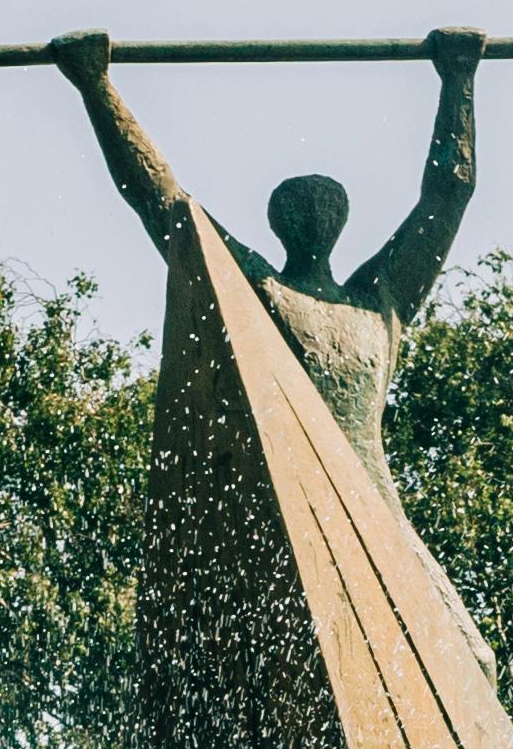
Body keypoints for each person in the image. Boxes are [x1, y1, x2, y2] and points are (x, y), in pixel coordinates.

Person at [56, 26, 480, 470]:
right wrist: (458, 76)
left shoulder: (371, 303)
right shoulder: (281, 295)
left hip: (376, 524)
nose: (317, 216)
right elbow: (163, 204)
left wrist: (459, 78)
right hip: (292, 509)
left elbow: (160, 200)